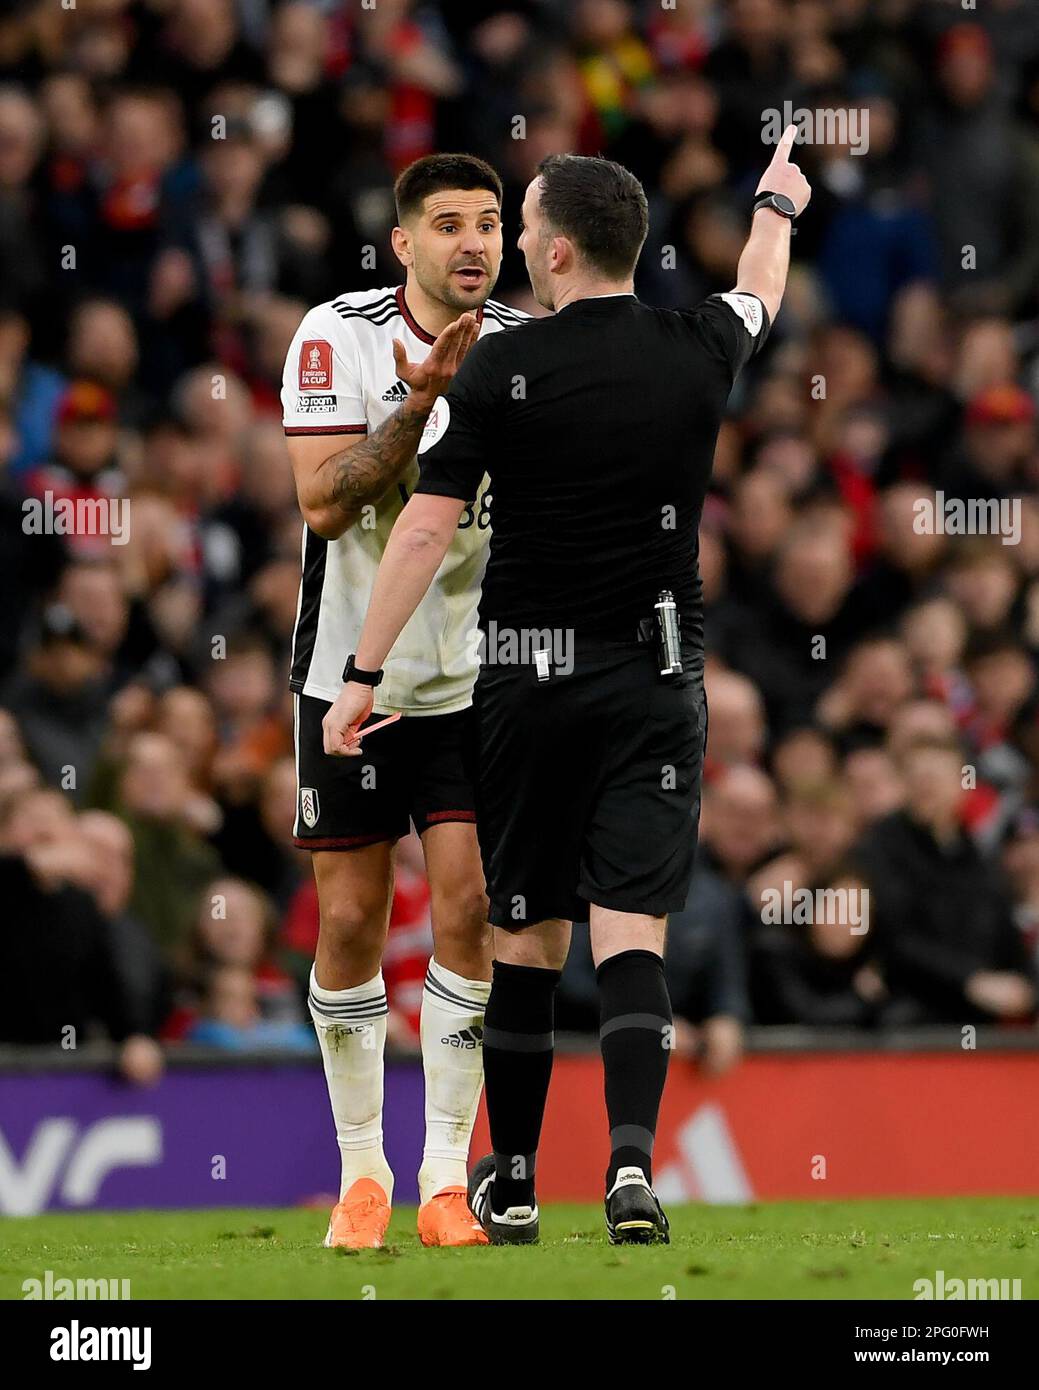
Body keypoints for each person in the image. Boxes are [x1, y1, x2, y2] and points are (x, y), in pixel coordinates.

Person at [323, 129, 811, 1242]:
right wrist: (776, 202)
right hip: (654, 678)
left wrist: (359, 676)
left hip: (526, 684)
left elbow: (422, 531)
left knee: (527, 934)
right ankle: (632, 1169)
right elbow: (758, 291)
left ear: (549, 252)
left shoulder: (500, 365)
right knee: (629, 932)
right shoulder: (698, 343)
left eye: (521, 222)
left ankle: (517, 1175)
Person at [281, 152, 528, 1250]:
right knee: (348, 919)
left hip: (475, 680)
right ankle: (361, 1173)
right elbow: (325, 506)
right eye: (448, 224)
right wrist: (423, 400)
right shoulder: (334, 334)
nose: (474, 242)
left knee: (470, 905)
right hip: (349, 669)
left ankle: (441, 1175)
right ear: (404, 245)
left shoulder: (529, 350)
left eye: (489, 223)